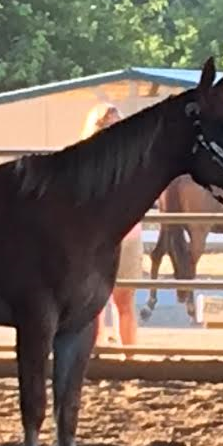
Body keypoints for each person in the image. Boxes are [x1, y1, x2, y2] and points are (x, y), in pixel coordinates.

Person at [82, 103, 142, 347]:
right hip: (94, 236)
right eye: (107, 125)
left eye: (117, 125)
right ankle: (94, 353)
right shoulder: (85, 161)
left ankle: (129, 356)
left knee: (124, 300)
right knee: (92, 303)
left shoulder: (133, 159)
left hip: (126, 234)